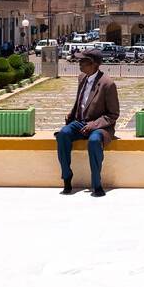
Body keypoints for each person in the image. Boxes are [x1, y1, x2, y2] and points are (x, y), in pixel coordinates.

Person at [55, 48, 119, 197]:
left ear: (94, 64)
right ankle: (67, 177)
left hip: (100, 126)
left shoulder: (107, 84)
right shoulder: (82, 78)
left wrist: (94, 125)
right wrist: (71, 113)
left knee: (94, 141)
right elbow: (80, 100)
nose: (80, 64)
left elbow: (113, 114)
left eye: (83, 61)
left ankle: (97, 184)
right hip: (80, 123)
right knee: (63, 135)